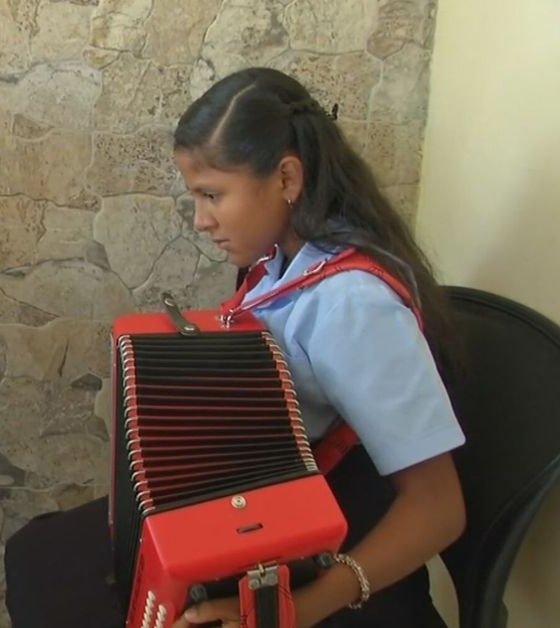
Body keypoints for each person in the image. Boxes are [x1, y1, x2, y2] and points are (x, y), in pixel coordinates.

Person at [167, 67, 466, 627]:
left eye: (211, 195)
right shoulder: (279, 265)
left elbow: (438, 509)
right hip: (283, 524)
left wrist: (298, 610)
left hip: (341, 578)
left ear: (286, 178)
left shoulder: (352, 305)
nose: (201, 221)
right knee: (50, 556)